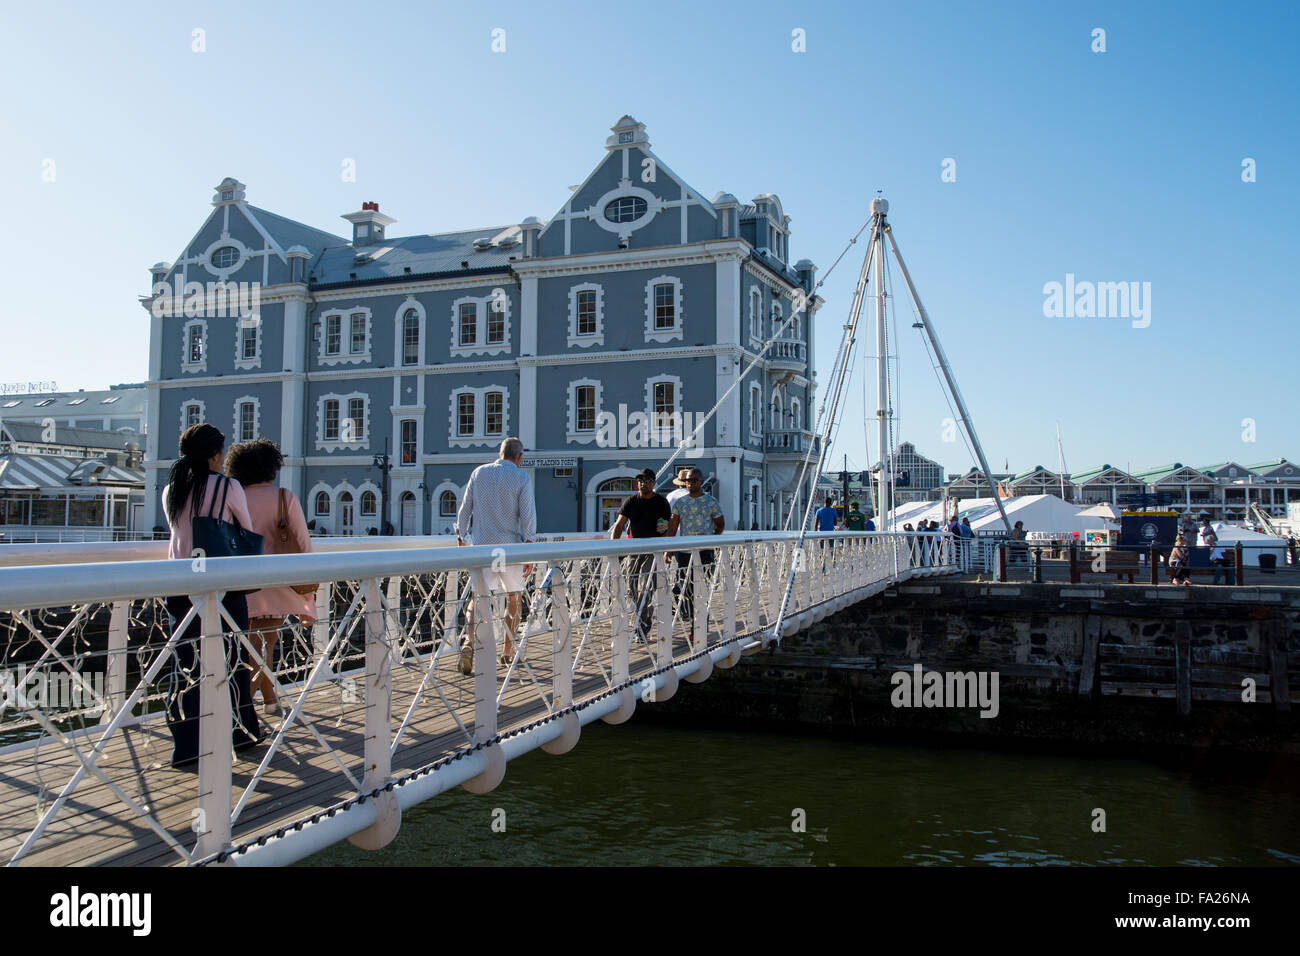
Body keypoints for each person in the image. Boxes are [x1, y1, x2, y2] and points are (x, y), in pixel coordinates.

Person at [160, 423, 262, 767]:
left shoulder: (171, 489)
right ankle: (241, 732)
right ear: (216, 455)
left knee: (185, 663)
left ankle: (186, 745)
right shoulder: (228, 486)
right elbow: (245, 529)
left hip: (179, 585)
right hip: (221, 584)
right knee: (233, 659)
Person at [226, 438, 315, 715]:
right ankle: (241, 713)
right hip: (276, 581)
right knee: (264, 644)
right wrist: (307, 593)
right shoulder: (284, 498)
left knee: (258, 644)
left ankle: (269, 701)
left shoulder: (232, 496)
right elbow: (303, 544)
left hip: (240, 579)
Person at [456, 437, 537, 672]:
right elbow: (528, 518)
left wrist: (462, 536)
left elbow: (465, 510)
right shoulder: (521, 477)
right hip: (509, 549)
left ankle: (469, 642)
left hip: (482, 547)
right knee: (514, 598)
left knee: (477, 598)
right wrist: (529, 549)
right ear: (519, 457)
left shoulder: (479, 473)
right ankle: (507, 653)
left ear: (500, 453)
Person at [609, 468, 671, 641]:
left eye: (646, 480)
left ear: (653, 482)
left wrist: (665, 549)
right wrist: (615, 547)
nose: (642, 484)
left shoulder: (661, 502)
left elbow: (665, 526)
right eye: (640, 481)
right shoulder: (631, 501)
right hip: (633, 550)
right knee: (632, 588)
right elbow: (620, 524)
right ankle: (643, 617)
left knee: (644, 587)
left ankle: (642, 626)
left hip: (652, 550)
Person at [666, 467, 724, 645]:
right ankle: (694, 626)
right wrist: (669, 549)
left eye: (694, 480)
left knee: (702, 590)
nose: (691, 483)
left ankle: (700, 630)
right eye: (688, 481)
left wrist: (712, 540)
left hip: (704, 552)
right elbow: (673, 527)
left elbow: (720, 524)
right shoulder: (680, 503)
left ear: (701, 482)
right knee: (688, 590)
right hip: (684, 552)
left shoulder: (711, 502)